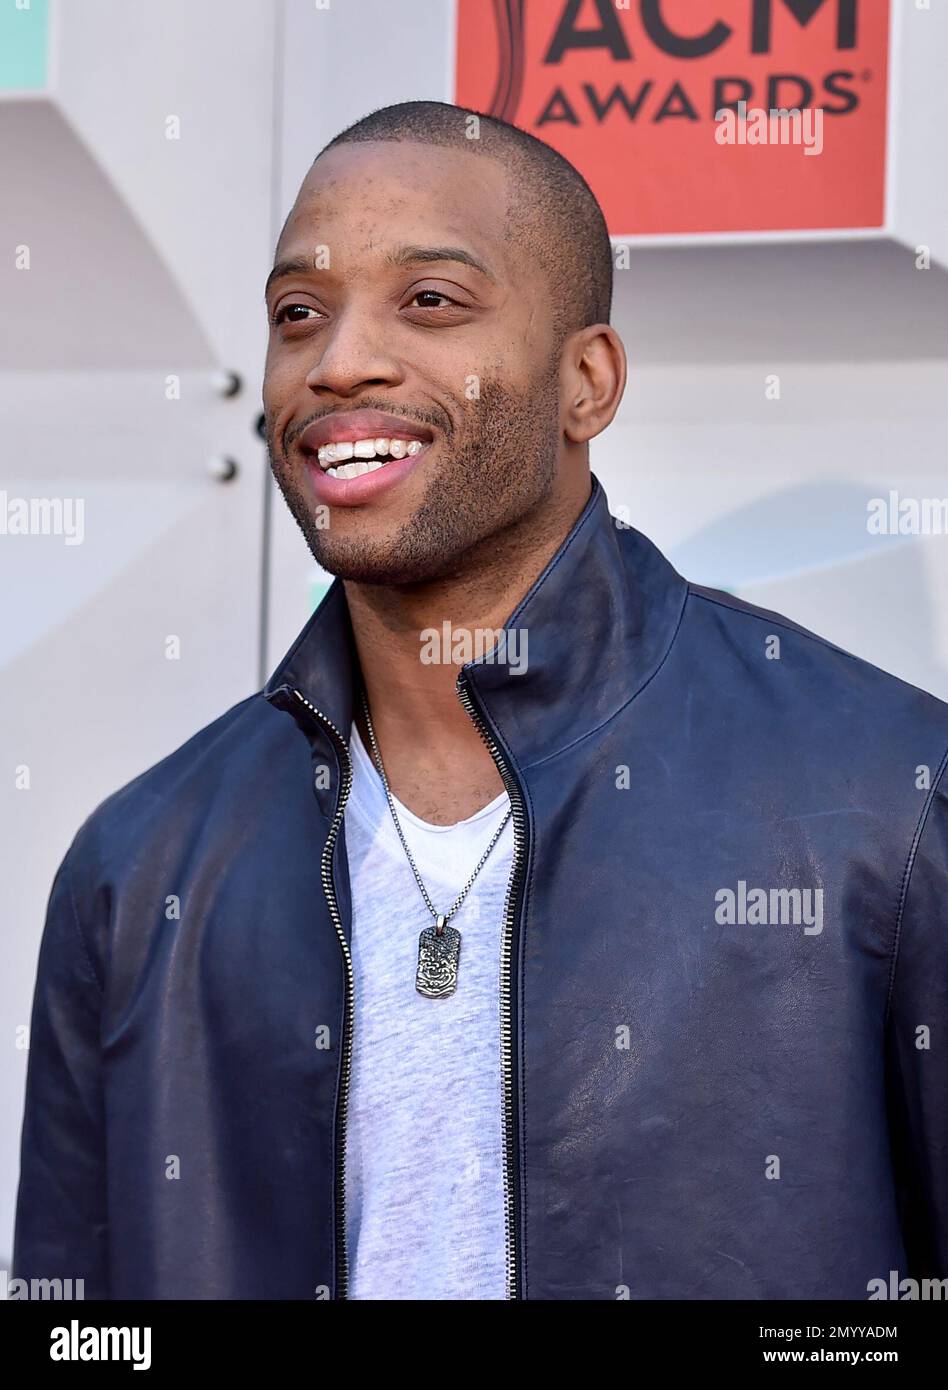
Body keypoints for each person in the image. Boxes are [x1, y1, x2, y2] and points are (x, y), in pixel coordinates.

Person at [13, 101, 948, 1301]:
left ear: (587, 382)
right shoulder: (139, 869)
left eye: (430, 302)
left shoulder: (886, 802)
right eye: (300, 314)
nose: (340, 360)